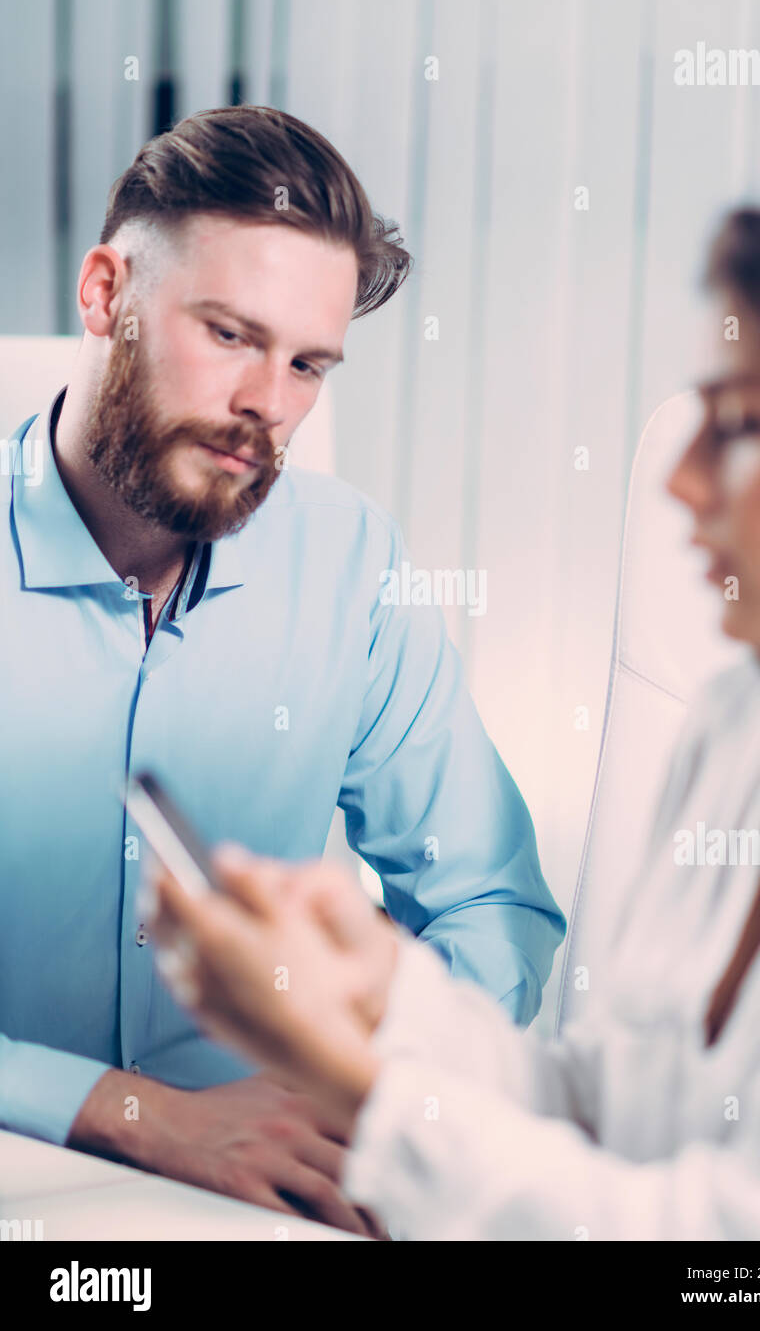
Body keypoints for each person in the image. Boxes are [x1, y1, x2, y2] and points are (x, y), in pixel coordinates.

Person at [151, 186, 760, 1239]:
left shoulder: (346, 562)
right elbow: (604, 1119)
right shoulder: (741, 730)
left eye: (742, 425)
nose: (673, 478)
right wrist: (388, 990)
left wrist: (346, 1077)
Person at [0, 105, 565, 1236]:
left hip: (274, 1190)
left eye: (307, 362)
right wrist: (131, 1112)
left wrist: (366, 1087)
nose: (268, 402)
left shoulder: (351, 560)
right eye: (228, 335)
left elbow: (485, 904)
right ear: (107, 293)